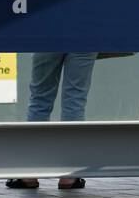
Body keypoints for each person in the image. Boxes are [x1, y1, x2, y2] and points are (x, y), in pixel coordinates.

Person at [7, 52, 98, 190]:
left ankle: (30, 172)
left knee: (40, 100)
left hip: (47, 40)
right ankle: (69, 174)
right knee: (75, 101)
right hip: (84, 41)